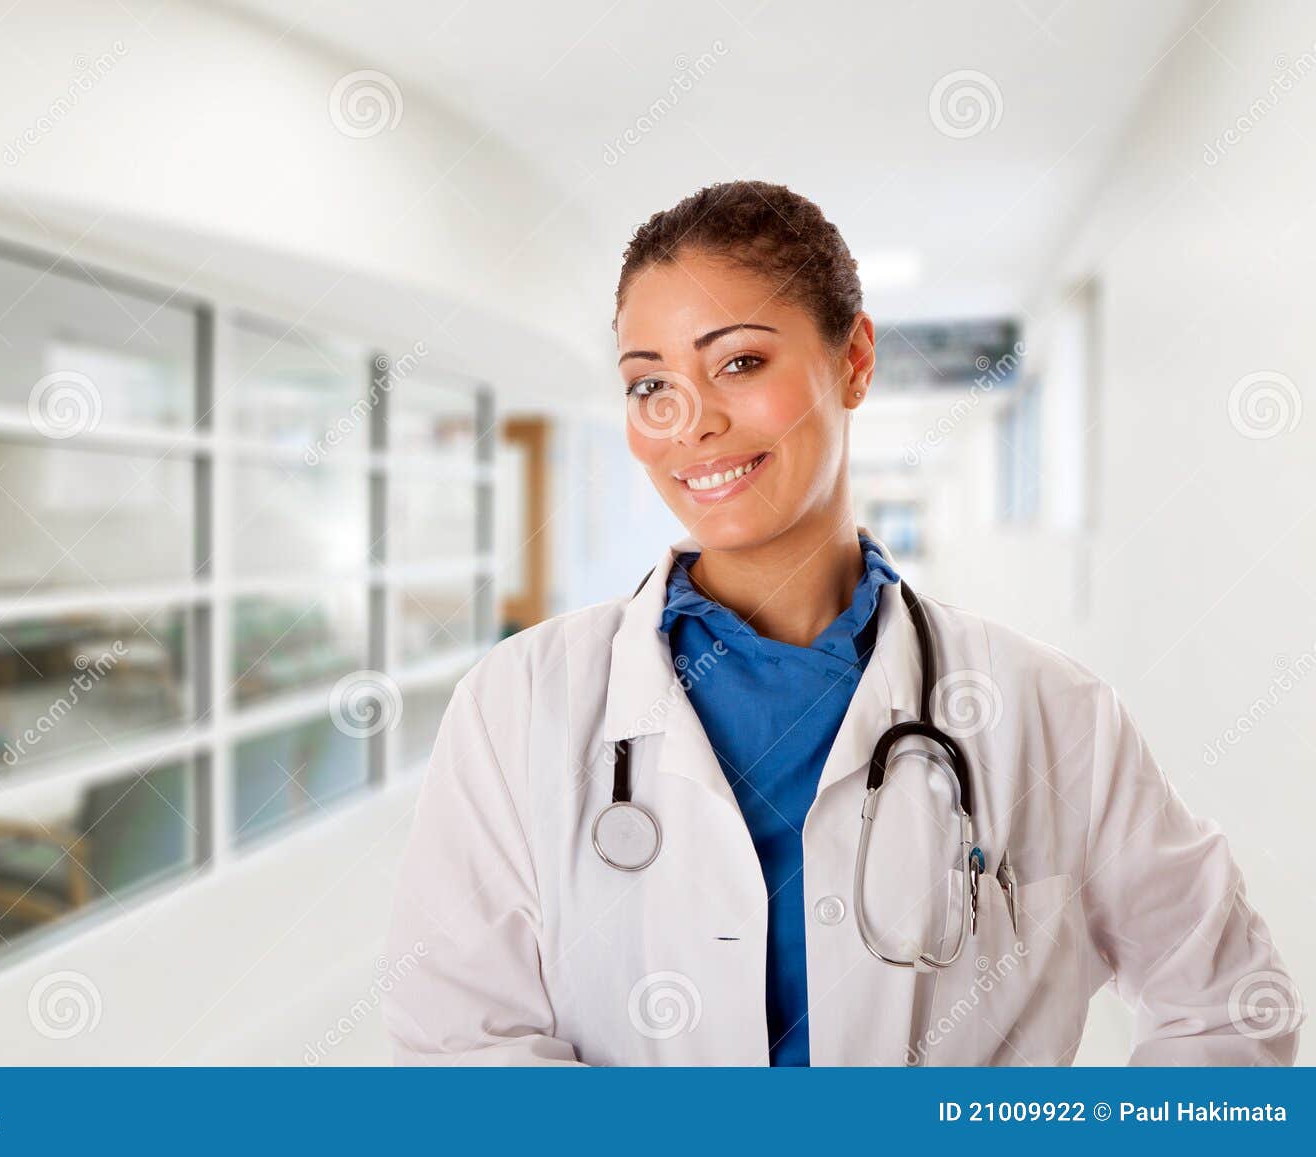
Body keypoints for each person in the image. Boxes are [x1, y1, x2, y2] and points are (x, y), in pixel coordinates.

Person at [381, 180, 1301, 1066]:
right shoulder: (519, 703)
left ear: (854, 359)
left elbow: (1228, 1004)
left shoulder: (1048, 712)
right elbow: (459, 1043)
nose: (690, 421)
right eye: (648, 384)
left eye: (739, 362)